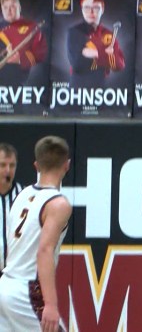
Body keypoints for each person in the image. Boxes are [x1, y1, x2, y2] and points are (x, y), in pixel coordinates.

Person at [0, 136, 72, 332]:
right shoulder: (59, 204)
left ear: (36, 165)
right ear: (67, 165)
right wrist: (50, 304)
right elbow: (45, 250)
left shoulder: (21, 195)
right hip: (28, 290)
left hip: (6, 285)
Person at [67, 0, 125, 88]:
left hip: (101, 85)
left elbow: (119, 65)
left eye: (96, 8)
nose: (91, 12)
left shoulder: (108, 34)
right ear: (82, 9)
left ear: (102, 9)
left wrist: (96, 53)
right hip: (78, 86)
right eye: (86, 8)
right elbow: (77, 64)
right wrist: (106, 55)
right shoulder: (74, 31)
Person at [0, 0, 46, 85]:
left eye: (12, 6)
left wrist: (20, 59)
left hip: (17, 82)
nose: (8, 10)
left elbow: (40, 56)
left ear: (19, 7)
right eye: (5, 7)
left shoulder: (32, 27)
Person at [0, 143, 22, 271]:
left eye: (12, 165)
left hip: (15, 274)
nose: (8, 170)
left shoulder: (25, 196)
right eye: (2, 165)